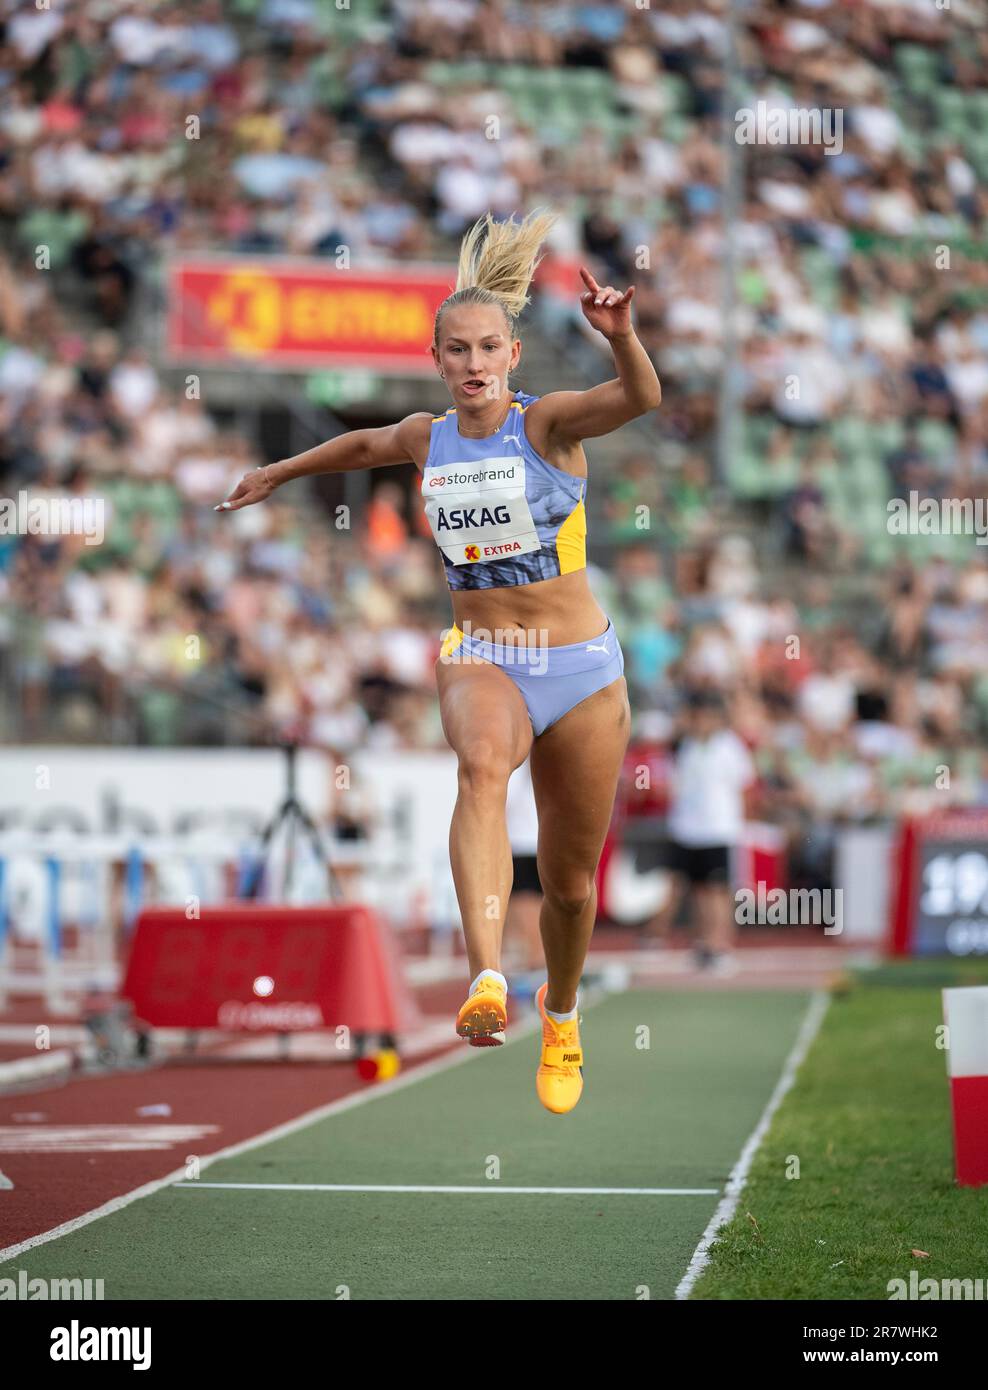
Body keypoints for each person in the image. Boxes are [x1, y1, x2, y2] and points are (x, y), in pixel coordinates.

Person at [216, 208, 662, 1113]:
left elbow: (642, 401)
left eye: (486, 348)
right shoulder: (429, 436)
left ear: (511, 357)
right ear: (437, 359)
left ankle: (562, 1011)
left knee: (572, 887)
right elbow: (363, 444)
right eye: (454, 350)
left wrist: (623, 339)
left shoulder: (552, 428)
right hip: (483, 653)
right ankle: (487, 978)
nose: (470, 364)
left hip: (579, 666)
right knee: (481, 769)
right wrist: (278, 472)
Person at [661, 690, 756, 974]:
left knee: (718, 890)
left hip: (718, 829)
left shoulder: (729, 747)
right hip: (688, 829)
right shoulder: (687, 746)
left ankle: (721, 945)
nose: (699, 721)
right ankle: (703, 944)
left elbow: (746, 786)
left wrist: (738, 821)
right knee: (698, 890)